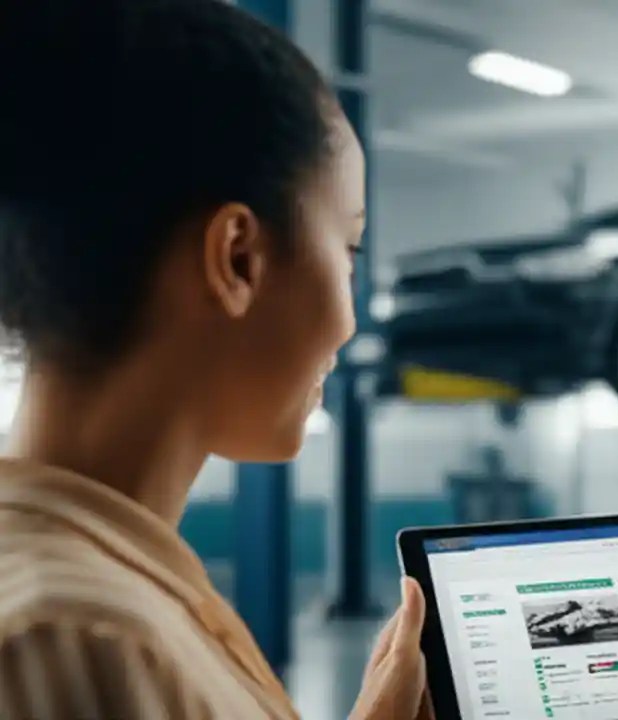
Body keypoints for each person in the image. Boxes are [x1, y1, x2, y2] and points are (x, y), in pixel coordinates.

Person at [0, 1, 431, 718]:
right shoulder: (77, 637)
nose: (349, 323)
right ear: (237, 258)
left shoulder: (113, 597)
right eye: (348, 249)